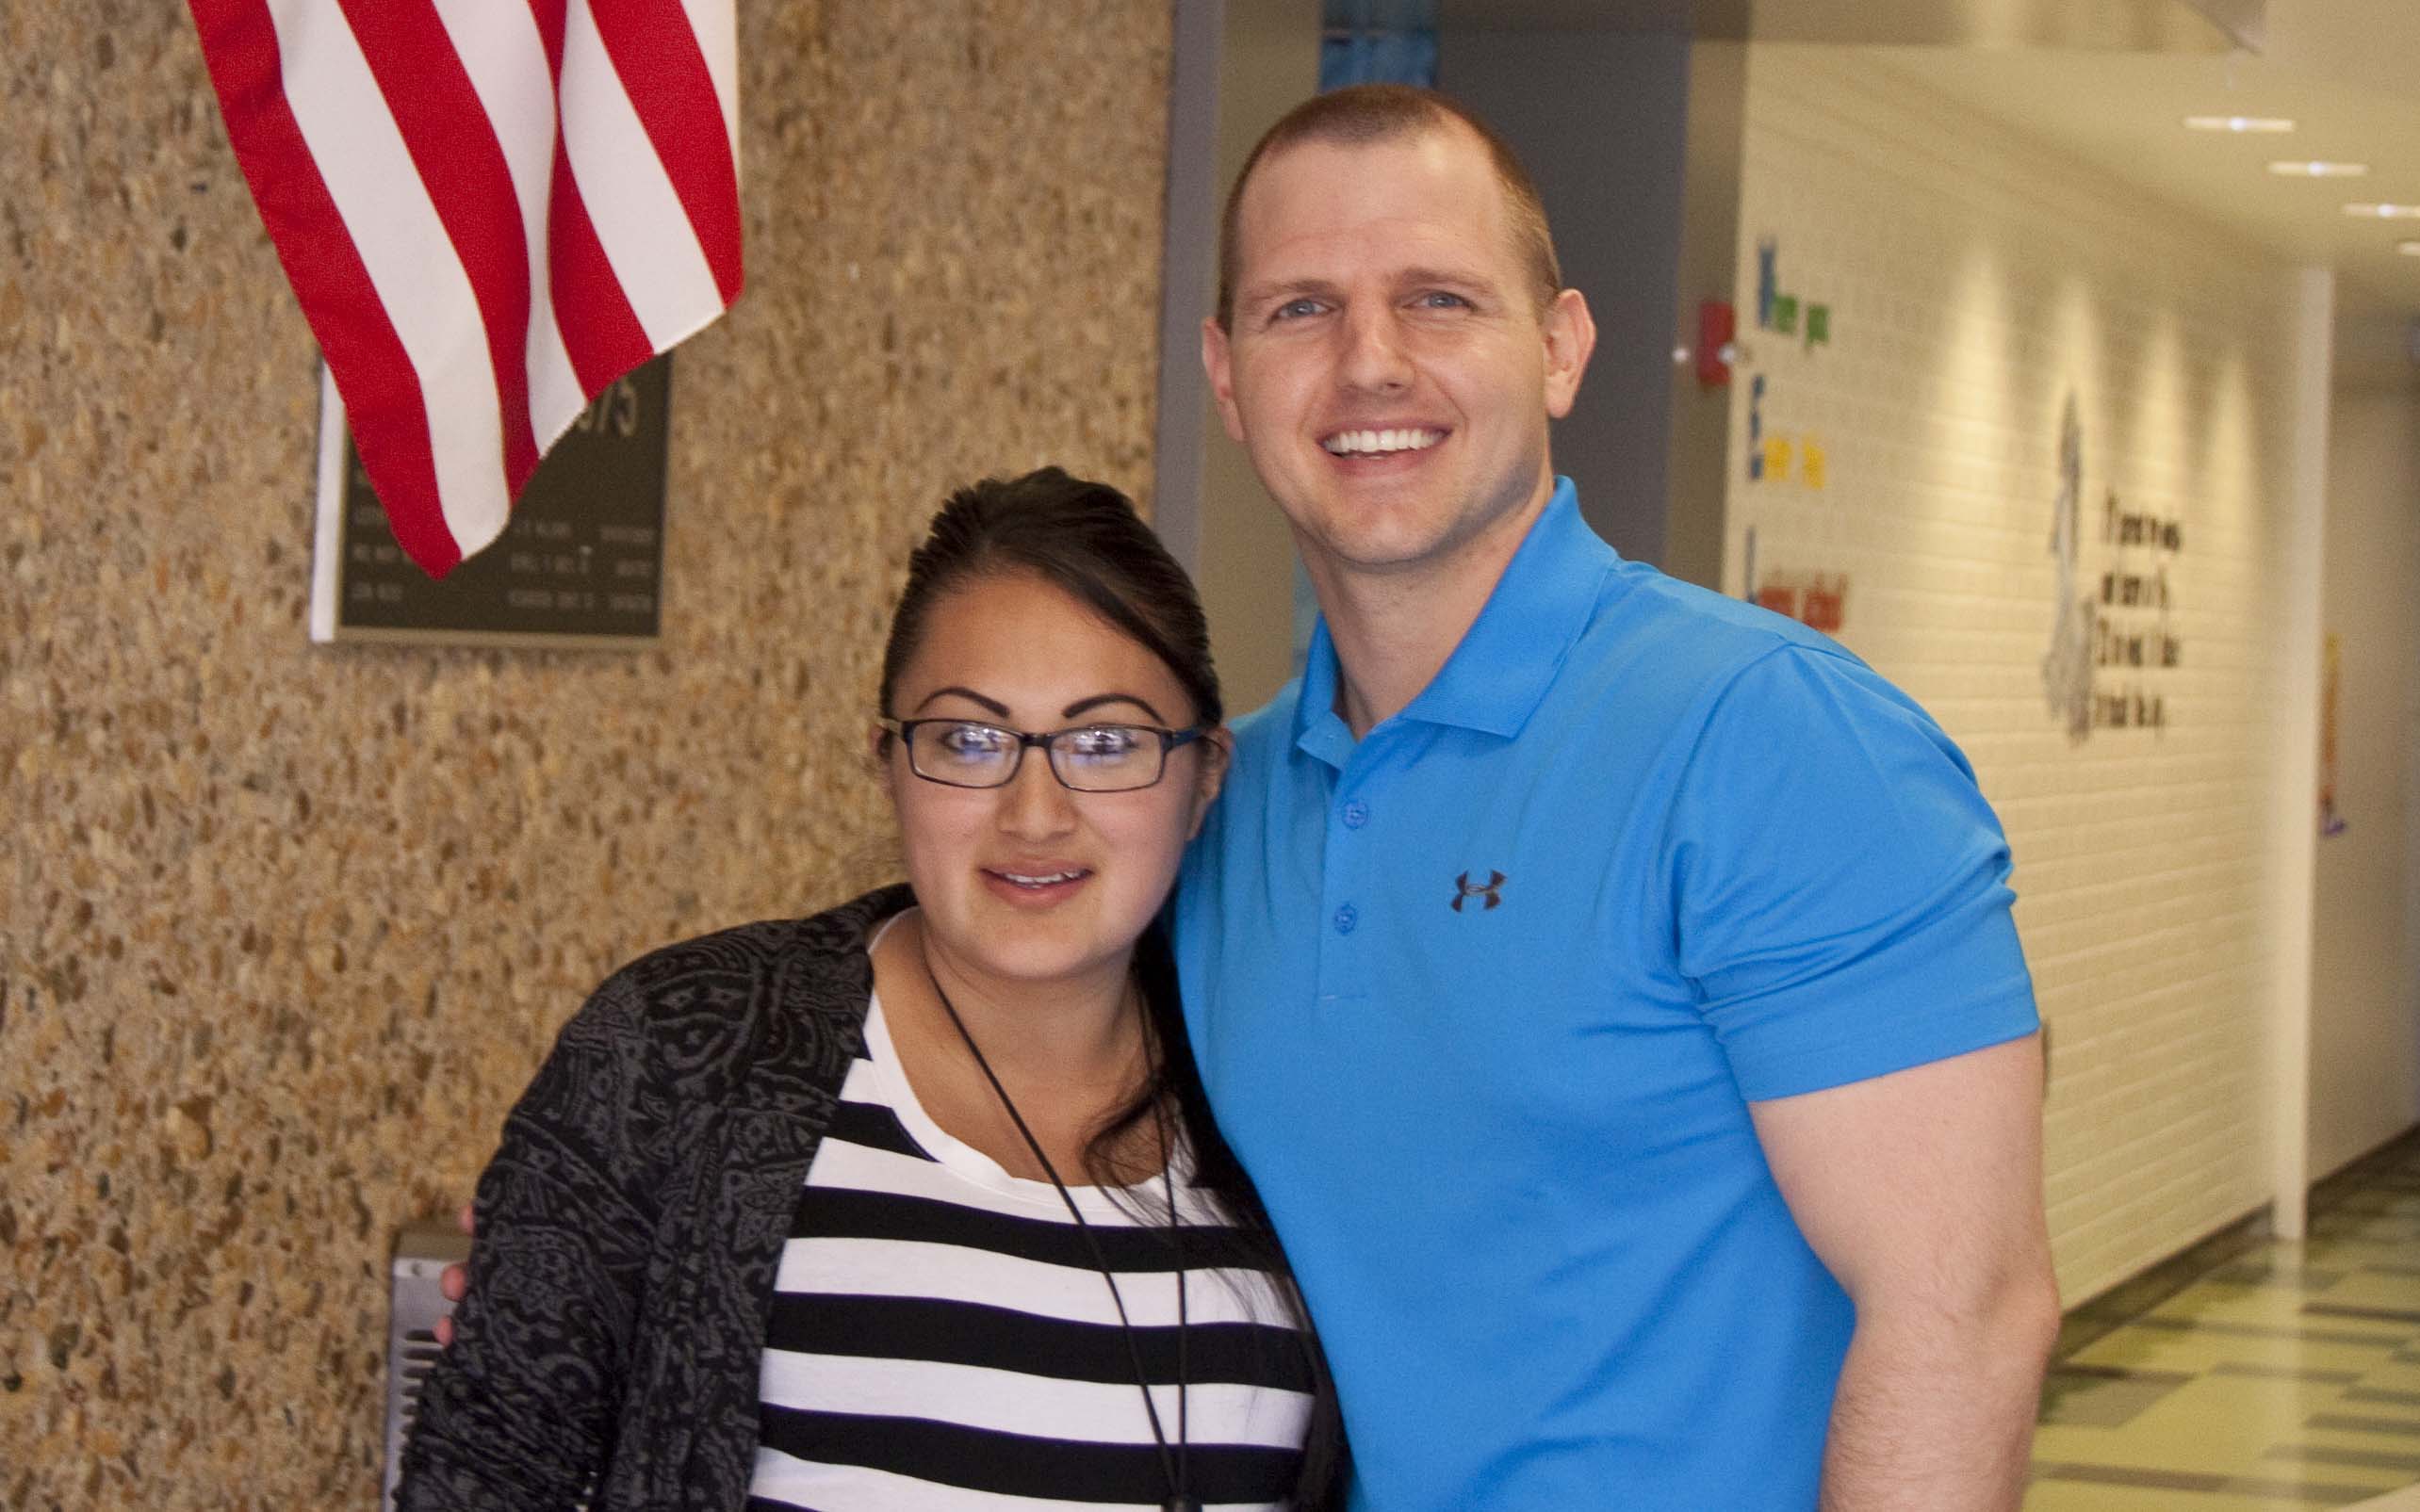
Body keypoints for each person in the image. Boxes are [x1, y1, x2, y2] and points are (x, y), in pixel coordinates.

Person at [1175, 85, 2060, 1509]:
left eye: (1440, 299)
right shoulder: (1230, 802)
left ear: (1563, 349)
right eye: (1299, 310)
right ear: (1224, 377)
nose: (1369, 363)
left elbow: (1963, 1318)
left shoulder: (1772, 740)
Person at [399, 467, 1345, 1511]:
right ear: (888, 761)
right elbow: (485, 1467)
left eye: (1106, 742)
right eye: (970, 741)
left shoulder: (1287, 1075)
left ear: (1206, 774)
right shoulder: (680, 1048)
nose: (1036, 813)